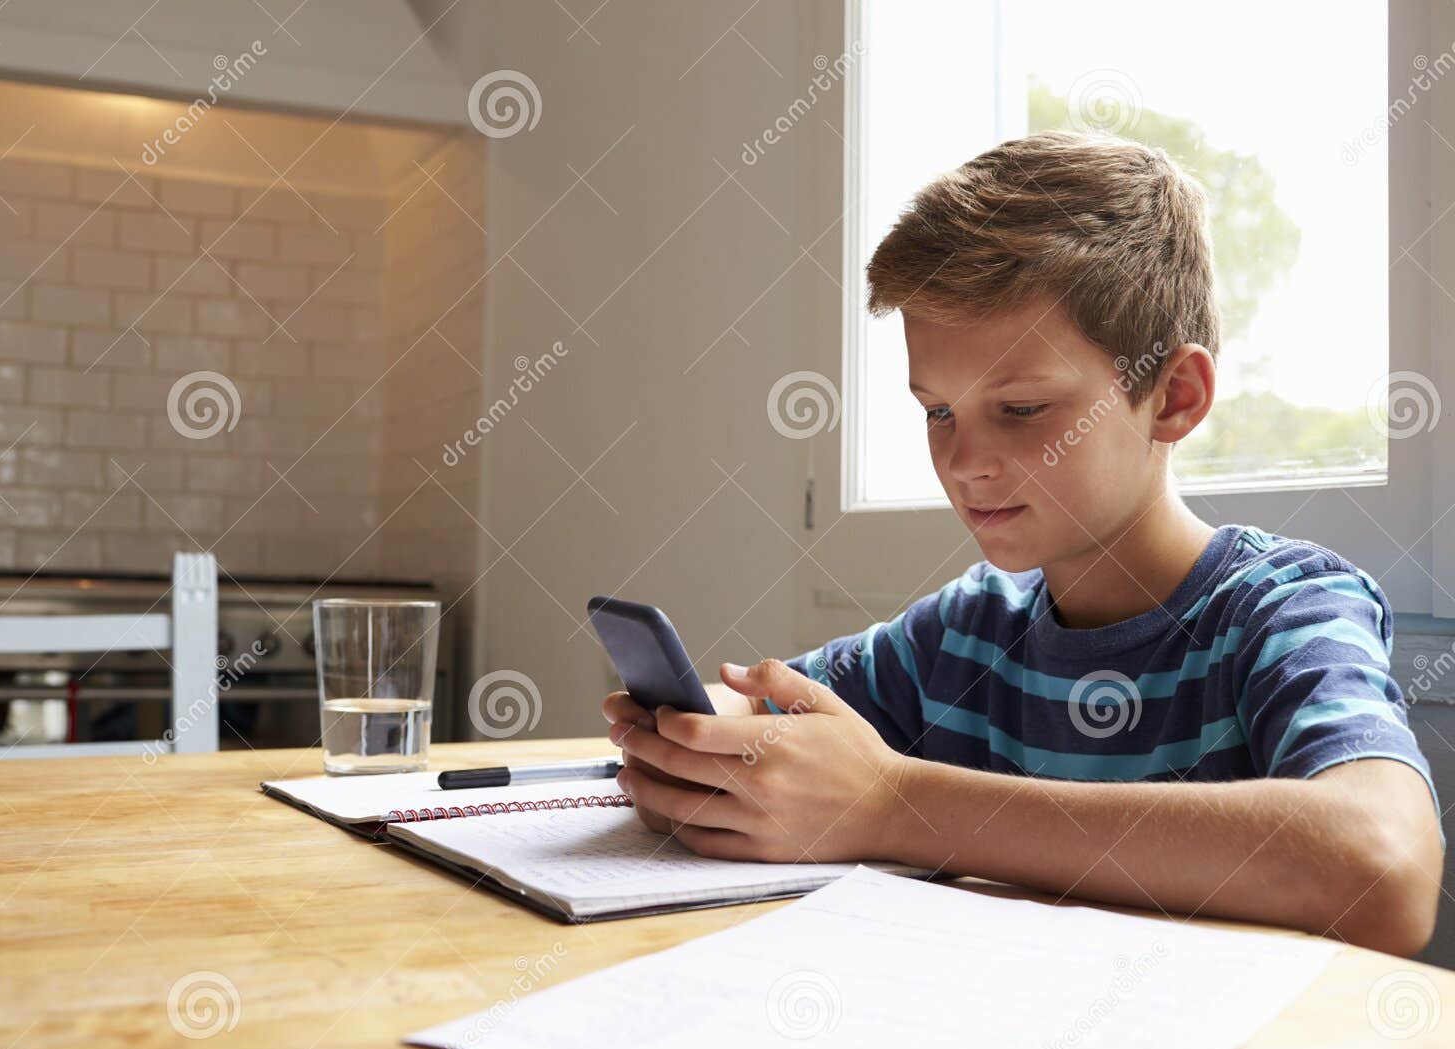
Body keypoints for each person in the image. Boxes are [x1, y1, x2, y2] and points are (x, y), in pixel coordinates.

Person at [604, 132, 1443, 956]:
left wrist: (896, 804)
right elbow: (770, 719)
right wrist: (689, 741)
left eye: (1022, 409)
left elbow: (1383, 867)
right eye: (938, 411)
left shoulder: (1287, 611)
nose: (963, 462)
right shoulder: (967, 633)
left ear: (1174, 397)